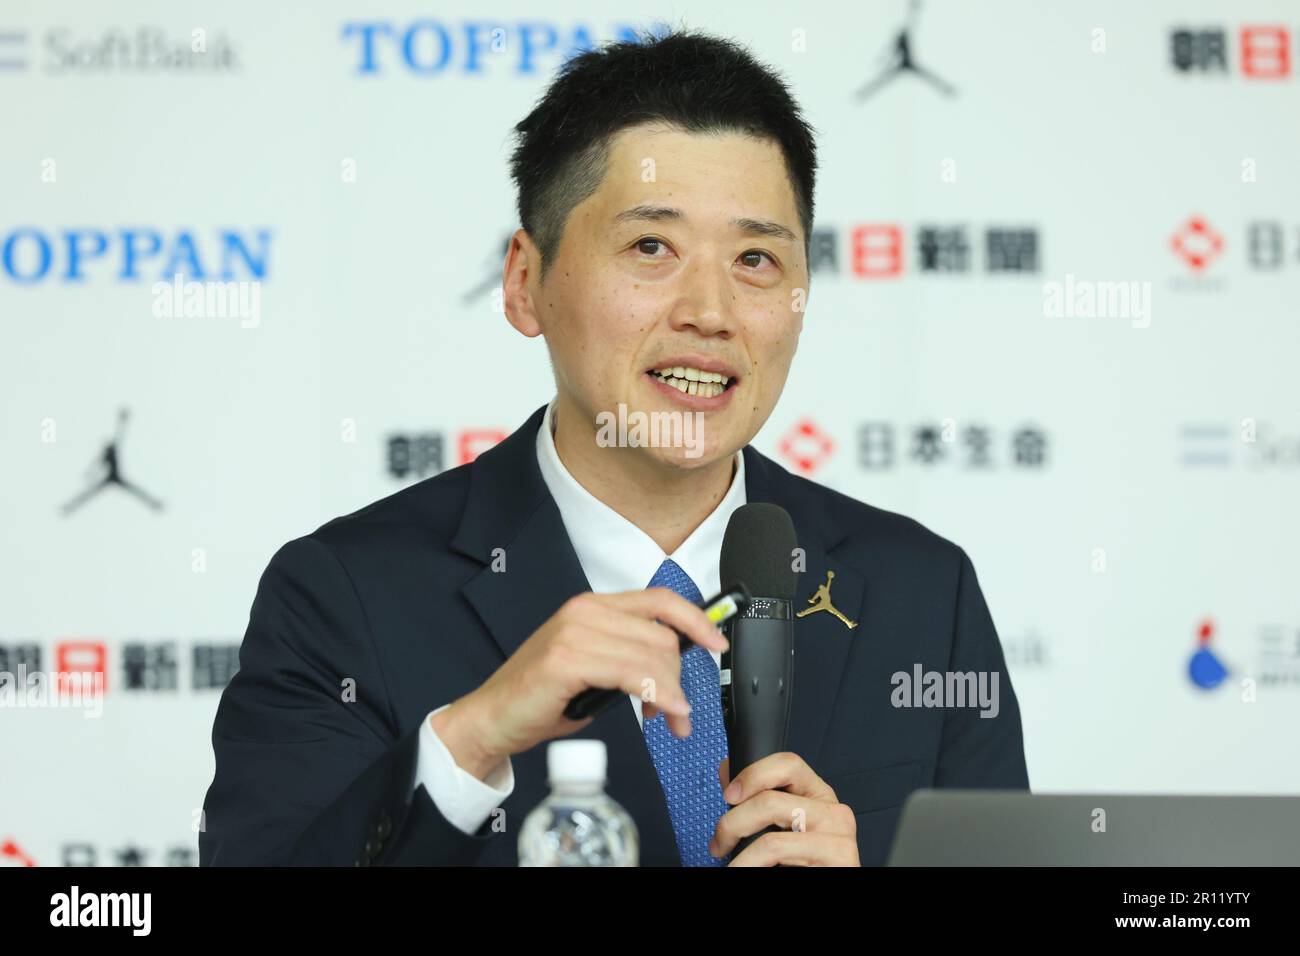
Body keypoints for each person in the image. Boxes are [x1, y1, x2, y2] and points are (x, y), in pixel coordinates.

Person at [199, 29, 1028, 868]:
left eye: (755, 259)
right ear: (526, 282)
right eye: (651, 248)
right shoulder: (346, 597)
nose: (710, 310)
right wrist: (475, 736)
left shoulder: (923, 593)